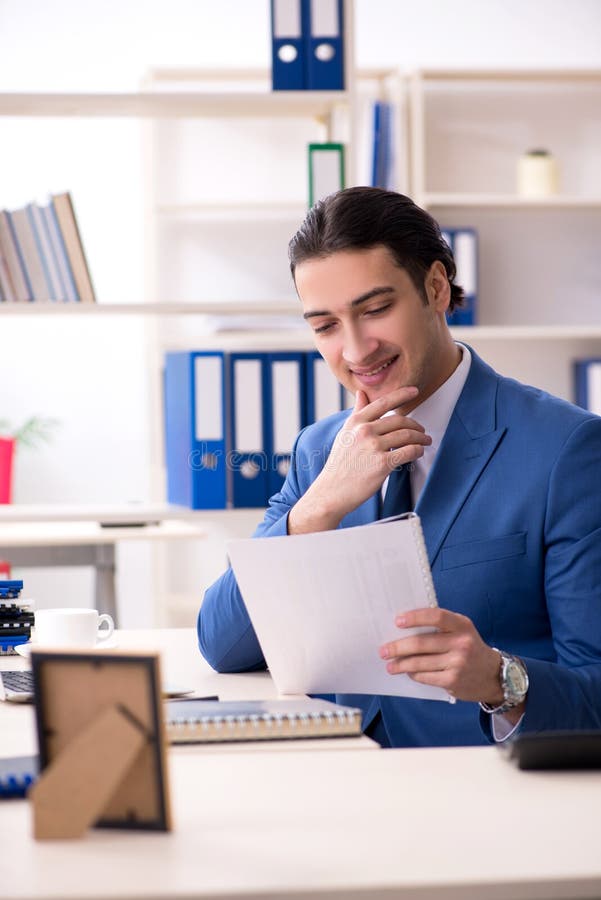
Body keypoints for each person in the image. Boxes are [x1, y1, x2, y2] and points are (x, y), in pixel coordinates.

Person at [198, 186, 601, 748]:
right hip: (339, 779)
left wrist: (499, 679)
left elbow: (596, 691)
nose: (357, 349)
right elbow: (222, 643)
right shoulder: (320, 450)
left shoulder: (567, 451)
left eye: (376, 309)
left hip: (480, 796)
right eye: (326, 326)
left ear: (435, 288)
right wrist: (314, 510)